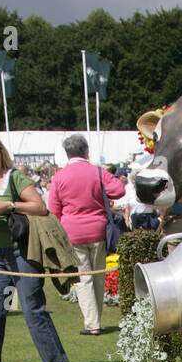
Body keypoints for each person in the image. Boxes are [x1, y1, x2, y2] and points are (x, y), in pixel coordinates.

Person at [0, 128, 71, 362]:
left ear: (1, 153)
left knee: (32, 308)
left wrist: (10, 205)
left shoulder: (14, 177)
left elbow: (39, 207)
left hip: (22, 253)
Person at [48, 134, 125, 336]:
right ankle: (95, 320)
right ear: (86, 151)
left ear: (67, 153)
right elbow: (119, 190)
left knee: (84, 278)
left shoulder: (59, 177)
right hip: (98, 230)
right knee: (99, 276)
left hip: (72, 232)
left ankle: (92, 324)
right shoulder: (98, 172)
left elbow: (53, 210)